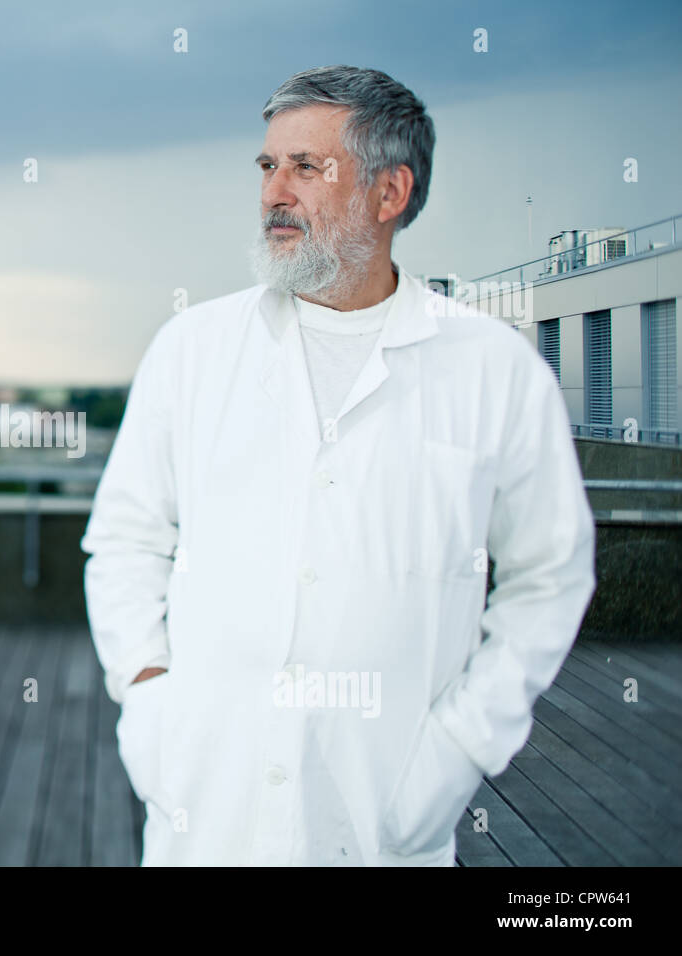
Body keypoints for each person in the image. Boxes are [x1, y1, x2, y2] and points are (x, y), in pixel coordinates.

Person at [80, 65, 596, 866]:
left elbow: (551, 575)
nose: (273, 192)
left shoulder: (495, 369)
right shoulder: (193, 349)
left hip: (384, 819)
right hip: (203, 813)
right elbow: (124, 541)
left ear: (390, 193)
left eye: (306, 167)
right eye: (266, 166)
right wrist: (149, 702)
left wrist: (458, 748)